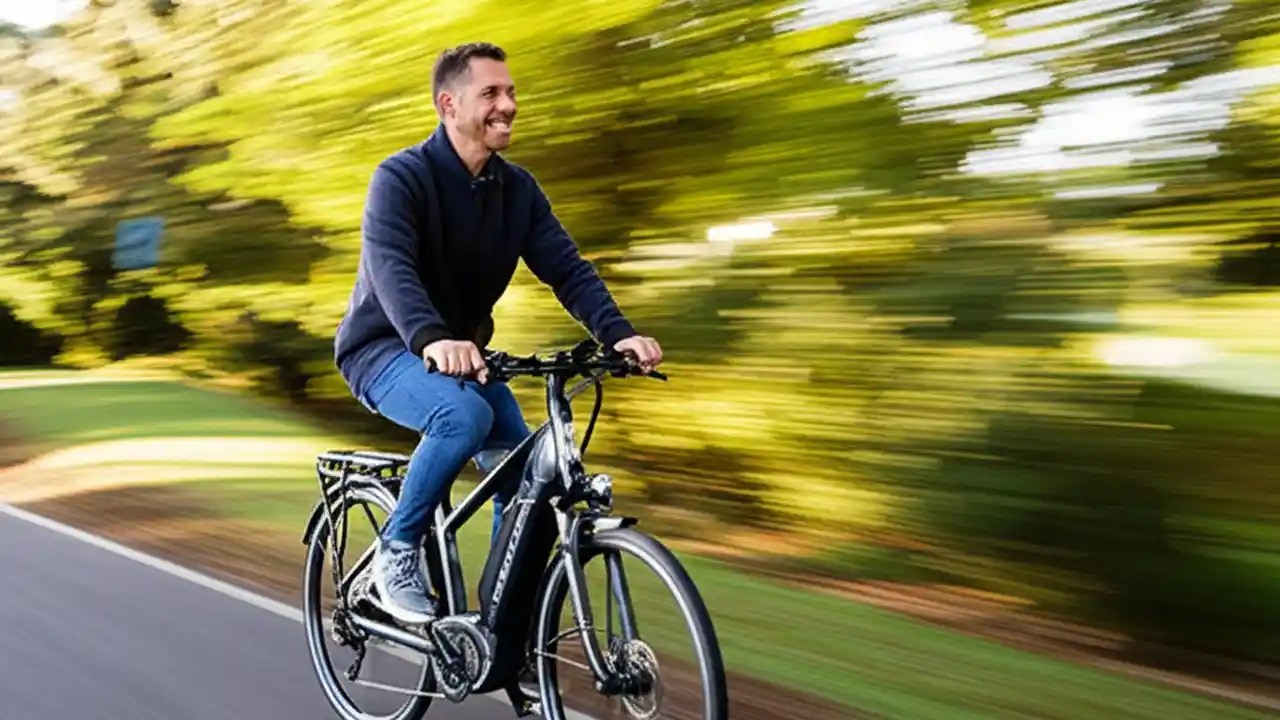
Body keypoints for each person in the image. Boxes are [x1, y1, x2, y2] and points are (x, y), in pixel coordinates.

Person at [332, 42, 663, 624]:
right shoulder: (401, 178)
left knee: (528, 471)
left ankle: (504, 627)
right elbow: (392, 268)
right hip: (385, 349)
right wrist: (432, 337)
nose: (508, 104)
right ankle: (398, 550)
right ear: (448, 104)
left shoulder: (519, 192)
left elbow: (566, 269)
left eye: (510, 92)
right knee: (463, 418)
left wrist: (617, 334)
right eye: (491, 93)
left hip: (463, 358)